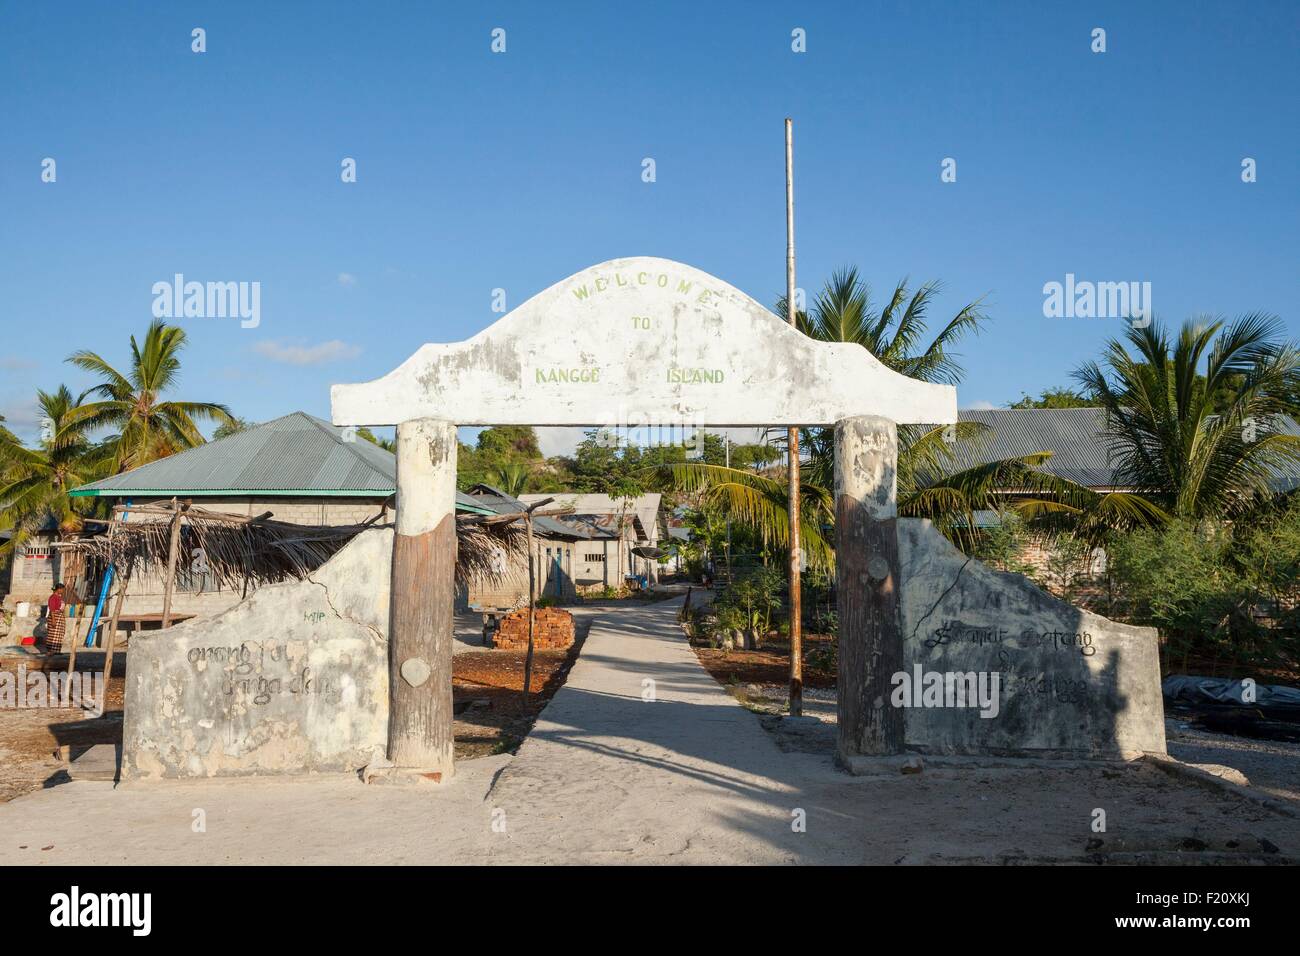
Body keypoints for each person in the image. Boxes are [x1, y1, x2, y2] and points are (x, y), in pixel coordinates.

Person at [43, 582, 67, 655]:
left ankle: (56, 651)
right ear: (58, 589)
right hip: (54, 617)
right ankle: (50, 651)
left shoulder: (58, 597)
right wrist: (53, 620)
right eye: (62, 589)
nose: (63, 591)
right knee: (53, 634)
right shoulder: (52, 597)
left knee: (59, 634)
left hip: (59, 616)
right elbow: (52, 609)